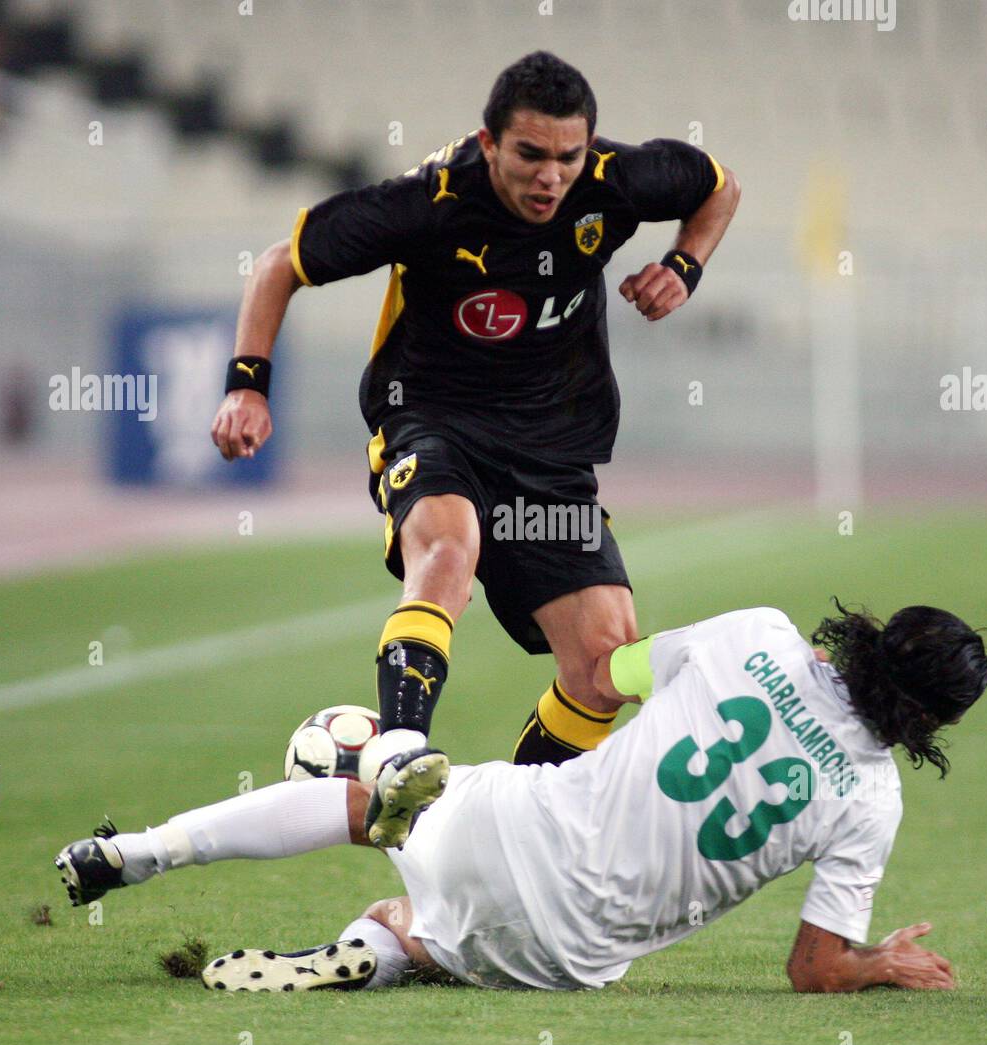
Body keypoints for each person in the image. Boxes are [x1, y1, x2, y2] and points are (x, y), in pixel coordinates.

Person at [209, 50, 741, 766]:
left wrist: (684, 266)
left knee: (601, 668)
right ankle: (399, 757)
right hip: (435, 418)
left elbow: (720, 186)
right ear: (489, 143)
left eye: (567, 156)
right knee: (450, 550)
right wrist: (247, 384)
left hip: (551, 448)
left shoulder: (619, 180)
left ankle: (513, 827)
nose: (550, 177)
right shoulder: (428, 203)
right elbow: (280, 265)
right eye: (528, 155)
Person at [56, 600, 987, 994]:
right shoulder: (871, 799)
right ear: (931, 724)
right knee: (416, 924)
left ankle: (142, 850)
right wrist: (879, 966)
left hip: (515, 817)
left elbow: (609, 672)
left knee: (368, 796)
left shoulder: (761, 634)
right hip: (570, 954)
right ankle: (376, 949)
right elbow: (811, 970)